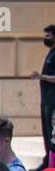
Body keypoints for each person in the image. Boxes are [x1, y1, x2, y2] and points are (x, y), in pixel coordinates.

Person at [35, 24, 55, 160]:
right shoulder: (51, 53)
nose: (45, 39)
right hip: (46, 99)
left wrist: (40, 76)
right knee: (46, 132)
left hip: (52, 100)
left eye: (48, 36)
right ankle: (48, 158)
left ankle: (51, 159)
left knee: (50, 132)